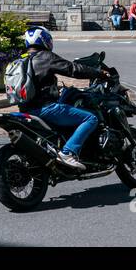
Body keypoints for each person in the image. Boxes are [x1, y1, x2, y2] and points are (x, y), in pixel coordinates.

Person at [20, 26, 109, 171]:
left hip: (25, 110)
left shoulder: (21, 60)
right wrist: (98, 73)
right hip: (45, 108)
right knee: (90, 119)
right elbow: (73, 69)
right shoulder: (45, 56)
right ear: (44, 40)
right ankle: (68, 153)